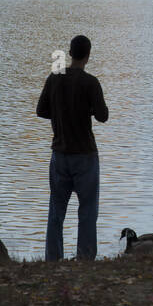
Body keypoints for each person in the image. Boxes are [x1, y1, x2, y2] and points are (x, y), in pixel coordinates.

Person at [37, 34, 108, 261]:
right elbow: (103, 116)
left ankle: (53, 258)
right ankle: (85, 259)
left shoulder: (54, 78)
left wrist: (59, 113)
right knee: (87, 211)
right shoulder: (90, 82)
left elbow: (41, 111)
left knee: (56, 210)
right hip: (85, 155)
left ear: (70, 53)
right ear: (88, 55)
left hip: (59, 154)